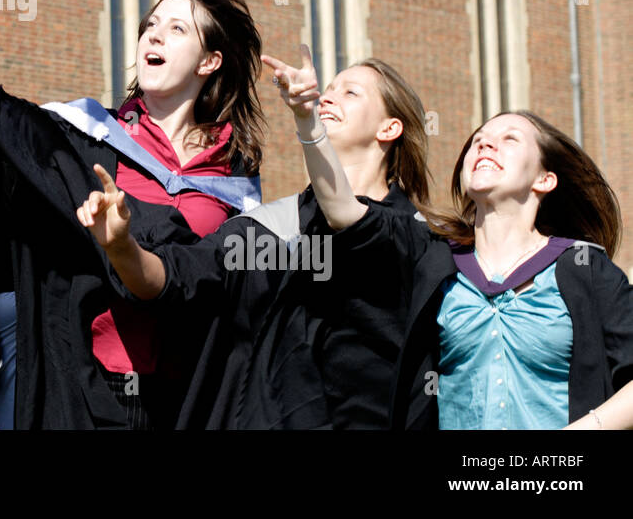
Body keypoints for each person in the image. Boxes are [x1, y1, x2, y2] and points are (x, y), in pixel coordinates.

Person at [0, 0, 263, 427]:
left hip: (188, 399)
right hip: (85, 391)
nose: (153, 35)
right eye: (150, 24)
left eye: (177, 29)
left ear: (210, 61)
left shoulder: (233, 182)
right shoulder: (85, 139)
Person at [255, 49, 633, 429]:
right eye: (478, 140)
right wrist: (308, 121)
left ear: (544, 179)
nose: (485, 144)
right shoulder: (433, 254)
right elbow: (344, 212)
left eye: (510, 139)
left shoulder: (584, 269)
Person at [79, 44, 433, 427]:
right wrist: (122, 247)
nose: (328, 96)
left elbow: (349, 219)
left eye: (350, 92)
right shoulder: (271, 229)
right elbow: (179, 274)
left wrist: (306, 120)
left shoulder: (416, 237)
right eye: (328, 88)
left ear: (389, 128)